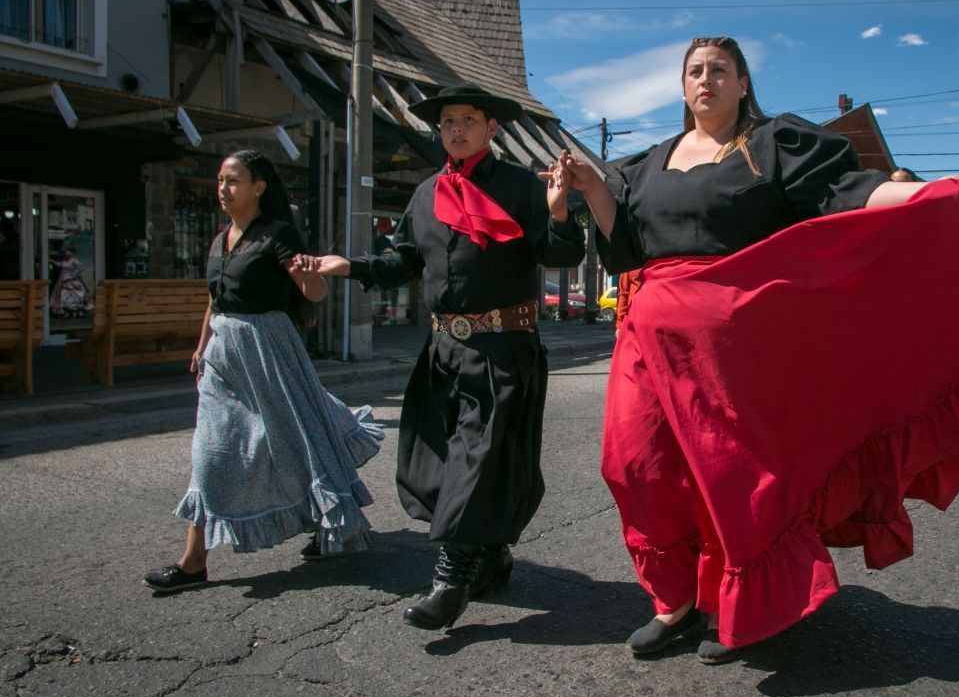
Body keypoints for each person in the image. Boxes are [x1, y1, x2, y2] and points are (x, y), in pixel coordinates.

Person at [551, 36, 959, 665]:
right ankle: (673, 600)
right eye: (696, 71)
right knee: (634, 466)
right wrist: (595, 189)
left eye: (721, 70)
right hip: (648, 339)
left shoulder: (770, 147)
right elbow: (627, 251)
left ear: (742, 84)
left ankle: (741, 604)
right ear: (681, 88)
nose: (707, 80)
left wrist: (926, 193)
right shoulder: (648, 165)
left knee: (731, 480)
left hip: (738, 346)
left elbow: (849, 192)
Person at [298, 84, 585, 630]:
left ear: (491, 128)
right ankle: (492, 556)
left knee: (478, 460)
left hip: (502, 348)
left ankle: (451, 580)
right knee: (433, 462)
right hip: (443, 350)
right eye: (448, 121)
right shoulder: (427, 192)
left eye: (468, 120)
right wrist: (347, 267)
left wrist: (559, 211)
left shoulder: (522, 186)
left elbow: (560, 254)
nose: (455, 129)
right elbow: (402, 259)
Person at [142, 150, 383, 593]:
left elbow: (313, 291)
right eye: (219, 180)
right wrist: (202, 348)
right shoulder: (220, 240)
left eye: (233, 180)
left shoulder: (277, 234)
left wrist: (312, 272)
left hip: (268, 352)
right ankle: (194, 561)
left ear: (259, 187)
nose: (223, 188)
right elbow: (215, 299)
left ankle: (325, 522)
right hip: (224, 358)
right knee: (210, 454)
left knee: (294, 440)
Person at [48, 246, 93, 317]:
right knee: (61, 294)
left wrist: (74, 274)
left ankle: (76, 309)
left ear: (72, 254)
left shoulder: (74, 261)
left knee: (72, 293)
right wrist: (52, 261)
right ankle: (63, 310)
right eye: (66, 254)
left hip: (70, 279)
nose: (66, 254)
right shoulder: (65, 261)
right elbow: (60, 264)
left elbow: (81, 268)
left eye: (68, 253)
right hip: (62, 279)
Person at [613, 268, 643, 337]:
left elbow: (623, 294)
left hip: (651, 317)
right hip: (633, 318)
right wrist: (619, 324)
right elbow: (623, 294)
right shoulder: (630, 264)